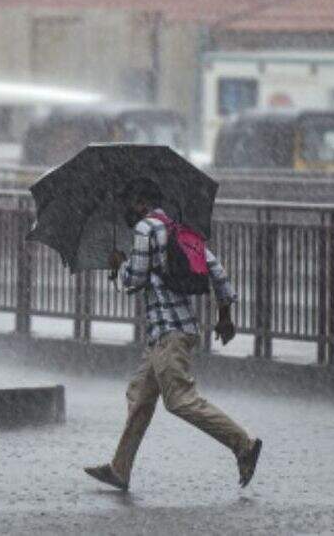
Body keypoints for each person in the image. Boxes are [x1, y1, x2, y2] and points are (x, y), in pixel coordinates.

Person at [84, 179, 262, 492]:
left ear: (142, 202)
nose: (126, 210)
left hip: (169, 332)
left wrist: (120, 265)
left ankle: (243, 444)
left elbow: (134, 279)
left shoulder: (145, 228)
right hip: (170, 332)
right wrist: (224, 317)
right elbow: (217, 272)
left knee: (180, 400)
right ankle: (120, 469)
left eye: (129, 203)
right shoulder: (179, 229)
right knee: (139, 396)